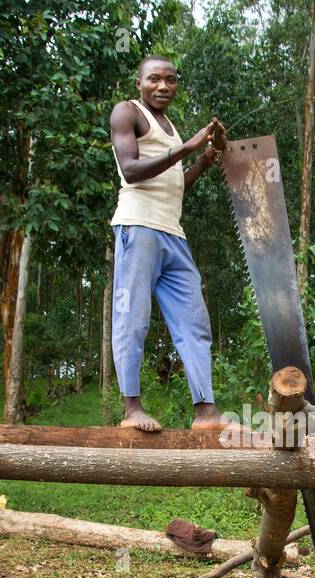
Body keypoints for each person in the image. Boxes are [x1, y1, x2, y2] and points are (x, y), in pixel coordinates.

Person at [108, 55, 228, 432]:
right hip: (138, 227)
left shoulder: (170, 127)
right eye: (155, 79)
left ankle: (205, 412)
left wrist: (205, 160)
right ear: (140, 82)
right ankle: (131, 410)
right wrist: (188, 148)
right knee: (133, 317)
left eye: (171, 80)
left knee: (195, 322)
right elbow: (130, 169)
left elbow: (174, 187)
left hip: (173, 234)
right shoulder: (126, 113)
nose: (163, 86)